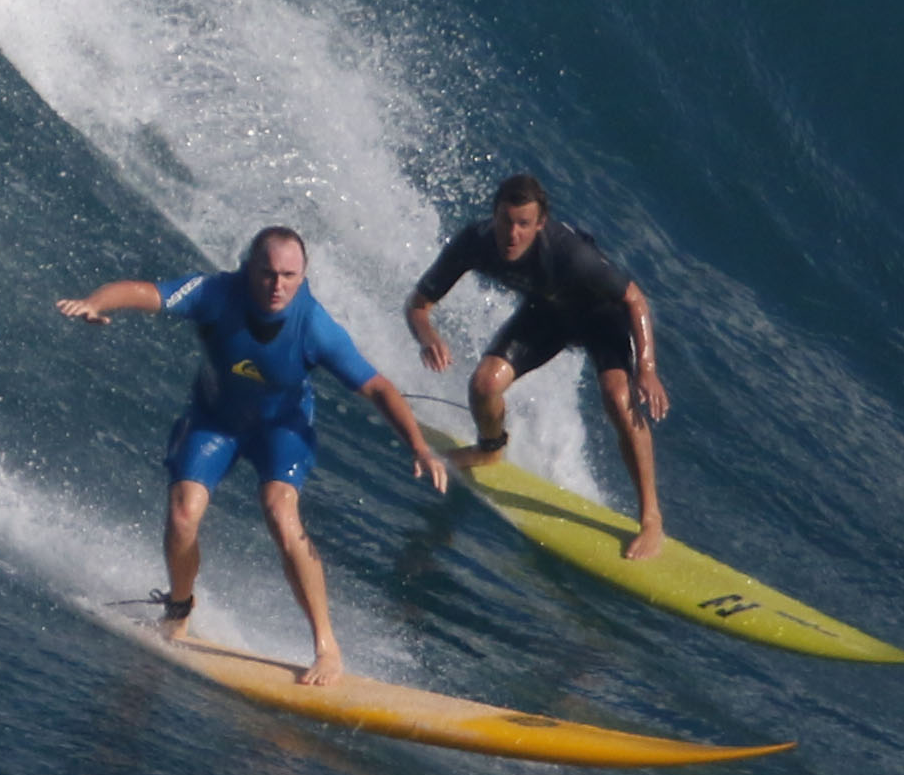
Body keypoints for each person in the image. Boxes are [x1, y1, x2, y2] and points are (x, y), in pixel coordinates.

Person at [61, 228, 446, 686]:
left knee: (282, 516)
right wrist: (97, 302)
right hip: (214, 419)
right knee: (183, 515)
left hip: (279, 430)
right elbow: (146, 292)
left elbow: (377, 387)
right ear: (248, 268)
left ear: (303, 278)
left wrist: (419, 445)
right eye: (267, 273)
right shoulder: (215, 293)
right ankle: (180, 606)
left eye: (289, 275)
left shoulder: (314, 326)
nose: (277, 285)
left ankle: (327, 646)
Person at [405, 173, 675, 562]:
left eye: (523, 224)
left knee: (618, 398)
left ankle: (651, 518)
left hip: (602, 318)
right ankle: (490, 448)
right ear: (494, 215)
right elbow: (418, 304)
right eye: (505, 221)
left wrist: (646, 367)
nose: (512, 234)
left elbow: (635, 300)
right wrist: (427, 336)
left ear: (540, 224)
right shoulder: (474, 243)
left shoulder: (570, 254)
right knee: (484, 384)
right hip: (547, 315)